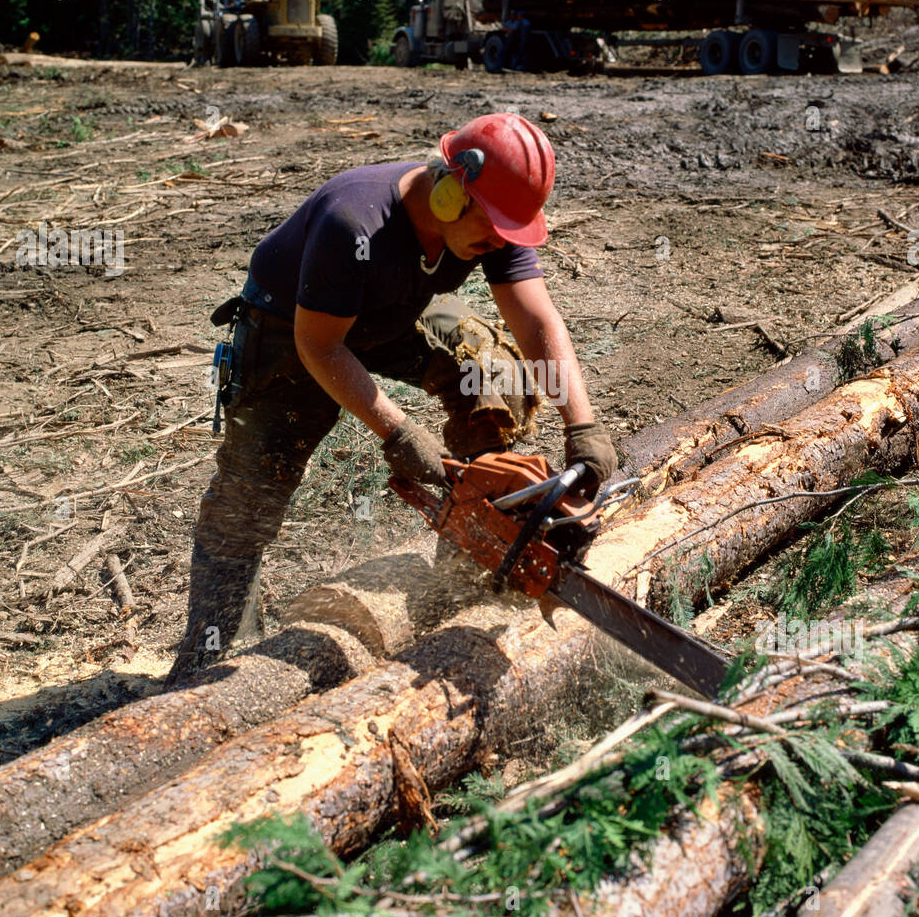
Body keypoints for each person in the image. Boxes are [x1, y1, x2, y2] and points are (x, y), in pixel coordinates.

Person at [167, 112, 617, 687]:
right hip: (294, 331)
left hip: (394, 313)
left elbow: (533, 319)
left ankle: (469, 568)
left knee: (493, 375)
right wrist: (397, 431)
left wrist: (581, 422)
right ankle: (205, 656)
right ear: (452, 192)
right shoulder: (354, 222)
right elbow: (320, 346)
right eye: (493, 227)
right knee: (251, 493)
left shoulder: (490, 220)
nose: (499, 243)